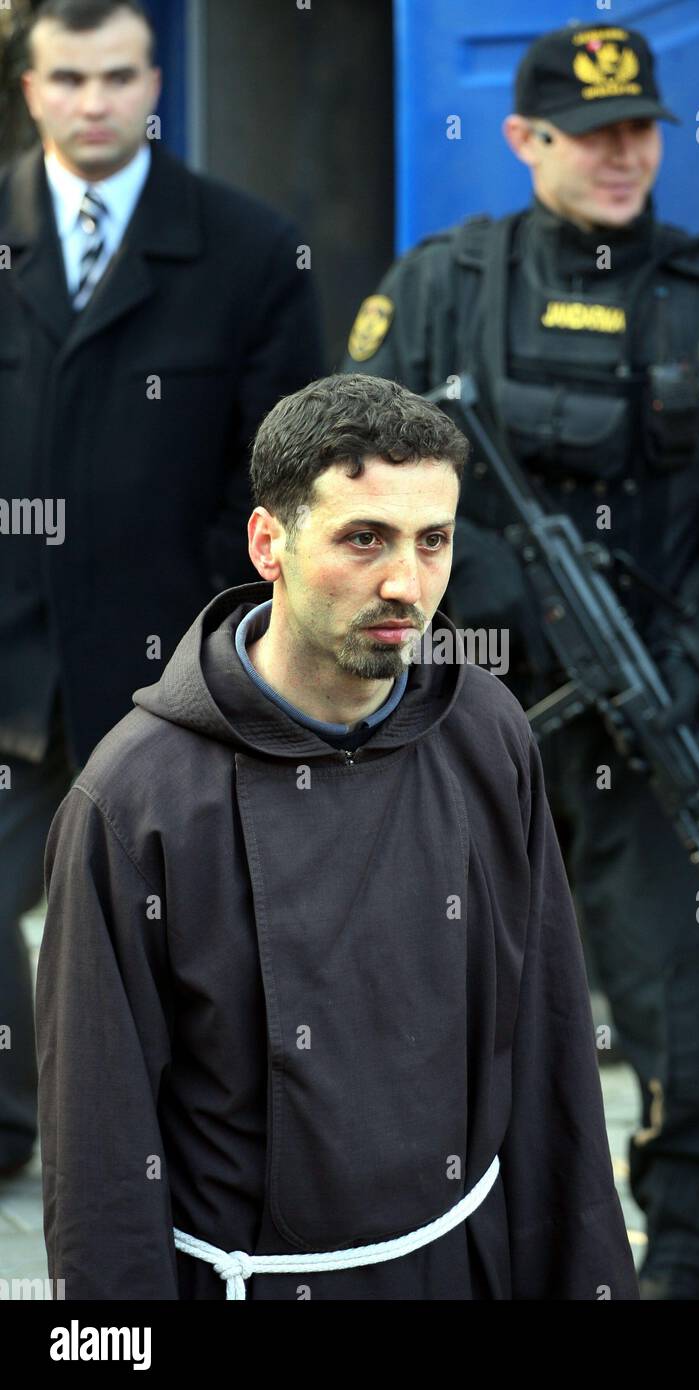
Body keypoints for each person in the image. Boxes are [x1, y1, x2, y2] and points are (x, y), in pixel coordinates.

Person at [341, 22, 699, 1299]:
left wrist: (688, 656)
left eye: (641, 129)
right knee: (436, 1042)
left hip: (648, 724)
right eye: (591, 131)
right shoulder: (443, 282)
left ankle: (677, 1284)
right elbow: (337, 471)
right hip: (460, 738)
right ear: (525, 140)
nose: (624, 154)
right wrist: (474, 582)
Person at [35, 372, 640, 1301]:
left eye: (431, 541)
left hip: (463, 1270)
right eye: (364, 539)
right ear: (268, 541)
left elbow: (550, 1046)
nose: (406, 582)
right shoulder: (133, 801)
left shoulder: (486, 732)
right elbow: (100, 1160)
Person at [0, 0, 321, 1178]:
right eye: (69, 78)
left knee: (187, 928)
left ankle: (190, 1139)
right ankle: (12, 1122)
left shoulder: (247, 249)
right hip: (12, 663)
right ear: (30, 89)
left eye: (119, 76)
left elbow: (284, 479)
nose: (95, 102)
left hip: (173, 669)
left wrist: (240, 650)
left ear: (154, 84)